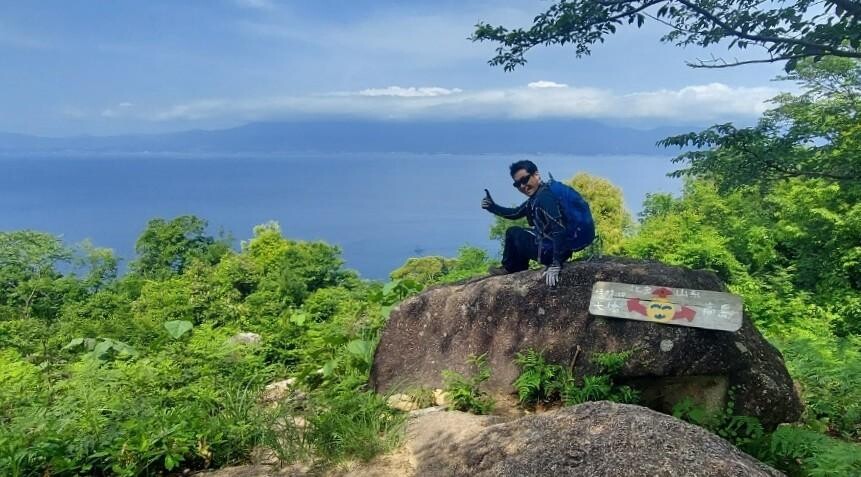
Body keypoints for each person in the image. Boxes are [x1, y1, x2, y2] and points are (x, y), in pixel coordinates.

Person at [481, 160, 594, 287]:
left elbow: (559, 229)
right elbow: (515, 213)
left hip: (553, 253)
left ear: (536, 175)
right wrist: (492, 207)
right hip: (559, 249)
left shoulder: (544, 198)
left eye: (525, 179)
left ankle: (511, 268)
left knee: (513, 233)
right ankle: (517, 269)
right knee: (522, 232)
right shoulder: (538, 196)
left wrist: (556, 264)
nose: (523, 186)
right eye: (517, 184)